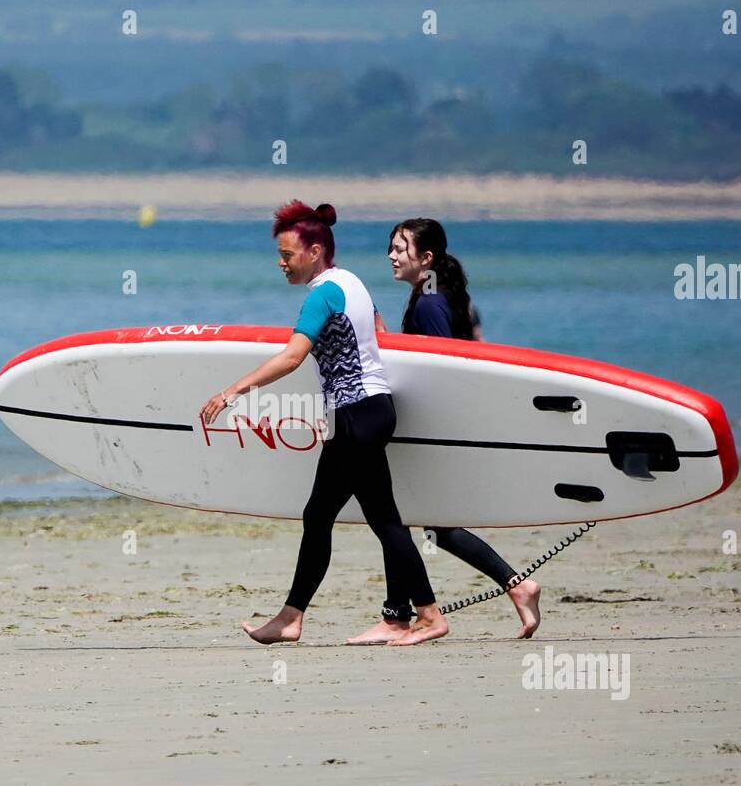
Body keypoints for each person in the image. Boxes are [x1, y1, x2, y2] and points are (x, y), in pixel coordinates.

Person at [199, 200, 446, 646]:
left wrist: (230, 392)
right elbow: (382, 337)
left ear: (314, 251)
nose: (281, 263)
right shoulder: (353, 283)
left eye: (287, 255)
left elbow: (293, 356)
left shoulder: (322, 294)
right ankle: (291, 618)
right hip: (369, 411)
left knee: (385, 521)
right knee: (321, 515)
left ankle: (429, 616)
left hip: (356, 415)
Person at [378, 218, 544, 641]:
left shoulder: (430, 304)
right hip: (443, 427)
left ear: (426, 257)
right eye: (392, 248)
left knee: (404, 518)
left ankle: (403, 616)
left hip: (435, 430)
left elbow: (441, 370)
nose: (392, 255)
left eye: (400, 248)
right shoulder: (441, 295)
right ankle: (514, 588)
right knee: (423, 522)